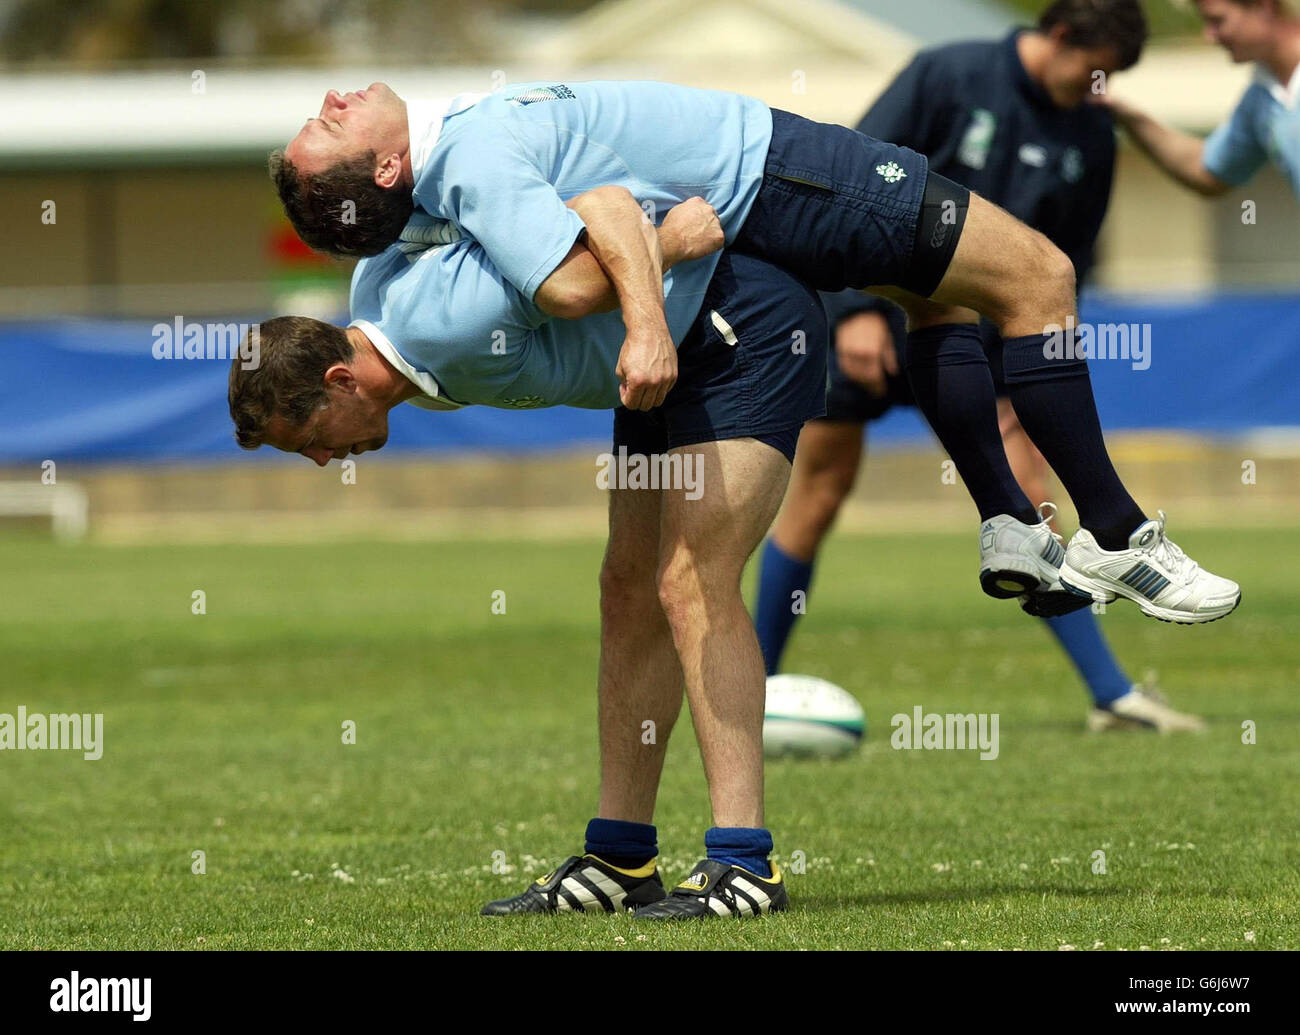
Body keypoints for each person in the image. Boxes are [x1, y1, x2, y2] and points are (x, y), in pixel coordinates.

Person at [272, 76, 1240, 628]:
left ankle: (1007, 524)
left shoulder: (417, 219)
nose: (334, 95)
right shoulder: (467, 165)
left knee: (934, 299)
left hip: (750, 202)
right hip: (768, 171)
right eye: (331, 122)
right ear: (387, 165)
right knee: (1040, 278)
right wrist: (663, 267)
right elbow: (569, 281)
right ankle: (1116, 535)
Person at [232, 189, 830, 918]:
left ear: (338, 380)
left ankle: (744, 864)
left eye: (312, 441)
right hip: (654, 363)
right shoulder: (386, 302)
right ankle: (620, 856)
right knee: (628, 584)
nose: (326, 459)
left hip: (737, 323)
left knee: (692, 579)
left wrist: (668, 241)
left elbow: (596, 215)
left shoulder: (440, 323)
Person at [757, 0, 1206, 732]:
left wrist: (1030, 379)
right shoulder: (948, 74)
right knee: (818, 491)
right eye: (1095, 70)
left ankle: (1111, 694)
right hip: (871, 322)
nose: (1099, 88)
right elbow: (845, 185)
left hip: (986, 349)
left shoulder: (1090, 129)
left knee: (1031, 495)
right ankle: (757, 688)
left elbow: (1067, 269)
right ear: (1061, 36)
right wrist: (857, 314)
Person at [1099, 0, 1300, 199]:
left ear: (1263, 6)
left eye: (1217, 20)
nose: (1210, 36)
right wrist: (1123, 112)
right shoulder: (1261, 99)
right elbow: (1205, 169)